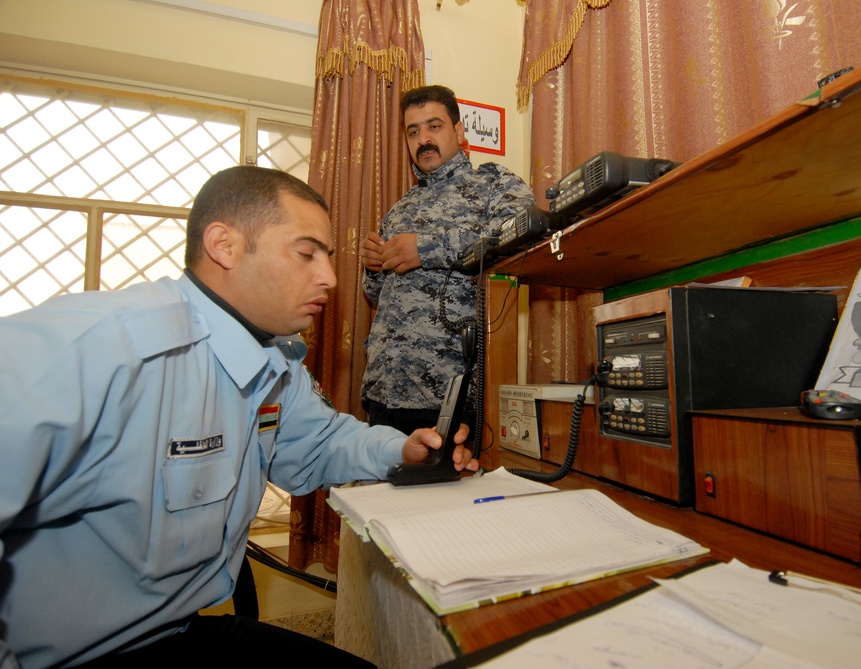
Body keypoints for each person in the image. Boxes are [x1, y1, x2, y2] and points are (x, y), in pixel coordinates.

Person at [0, 166, 478, 669]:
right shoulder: (97, 345)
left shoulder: (274, 361)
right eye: (305, 252)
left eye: (329, 257)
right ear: (224, 246)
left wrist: (402, 449)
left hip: (175, 629)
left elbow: (317, 443)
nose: (330, 279)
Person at [359, 84, 536, 438]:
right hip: (385, 389)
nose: (423, 138)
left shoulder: (494, 184)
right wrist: (373, 266)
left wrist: (425, 248)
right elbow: (377, 294)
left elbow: (518, 237)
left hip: (448, 390)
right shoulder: (399, 210)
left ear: (458, 130)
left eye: (433, 126)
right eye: (413, 131)